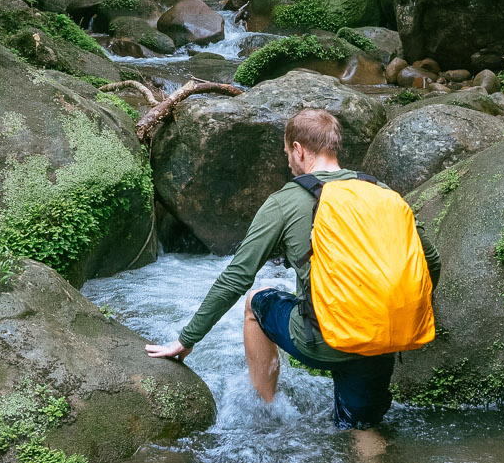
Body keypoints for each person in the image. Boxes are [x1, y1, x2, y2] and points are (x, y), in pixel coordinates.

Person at [146, 106, 440, 435]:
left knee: (256, 302)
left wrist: (186, 340)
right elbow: (431, 260)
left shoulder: (287, 200)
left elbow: (238, 277)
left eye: (287, 152)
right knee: (362, 430)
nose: (287, 161)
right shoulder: (382, 192)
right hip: (381, 339)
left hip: (322, 340)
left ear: (298, 149)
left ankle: (267, 412)